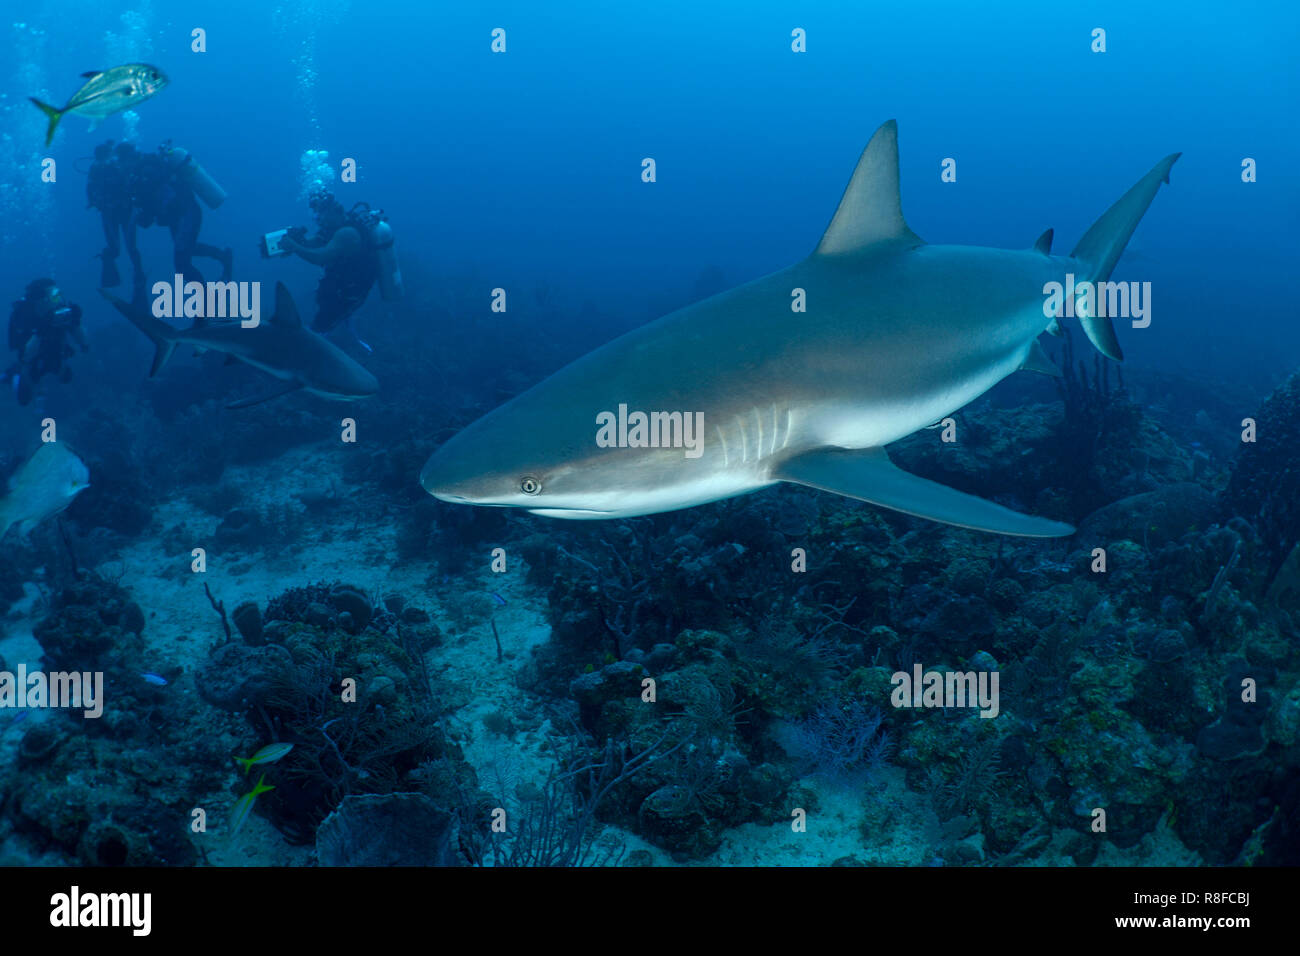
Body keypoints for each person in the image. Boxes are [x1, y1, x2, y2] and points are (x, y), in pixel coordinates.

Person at [277, 189, 401, 336]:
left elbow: (320, 258)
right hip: (341, 282)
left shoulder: (347, 234)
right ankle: (345, 325)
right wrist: (299, 241)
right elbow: (314, 243)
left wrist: (294, 247)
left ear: (333, 211)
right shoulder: (333, 226)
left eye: (320, 215)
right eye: (315, 215)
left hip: (350, 291)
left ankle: (344, 332)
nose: (318, 220)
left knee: (321, 327)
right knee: (326, 307)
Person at [131, 144, 232, 286]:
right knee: (188, 250)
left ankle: (206, 300)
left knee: (182, 265)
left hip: (186, 215)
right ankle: (223, 256)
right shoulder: (146, 174)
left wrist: (147, 213)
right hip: (180, 216)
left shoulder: (149, 174)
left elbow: (162, 203)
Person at [5, 280, 88, 406]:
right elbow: (25, 357)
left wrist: (76, 322)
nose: (57, 300)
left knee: (66, 378)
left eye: (58, 295)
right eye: (54, 296)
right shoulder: (25, 316)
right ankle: (11, 374)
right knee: (24, 398)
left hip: (56, 353)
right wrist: (40, 331)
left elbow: (83, 343)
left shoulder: (60, 310)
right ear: (41, 299)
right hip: (32, 360)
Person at [86, 140, 145, 297]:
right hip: (124, 211)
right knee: (131, 247)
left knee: (115, 249)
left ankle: (118, 273)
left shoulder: (96, 168)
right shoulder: (118, 166)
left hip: (109, 212)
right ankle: (139, 277)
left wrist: (95, 202)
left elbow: (90, 191)